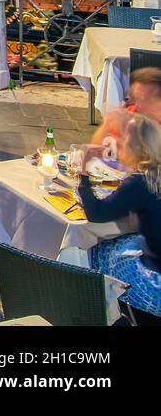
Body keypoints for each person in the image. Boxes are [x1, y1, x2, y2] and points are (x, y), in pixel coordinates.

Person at [79, 113, 161, 318]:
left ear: (136, 146)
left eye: (125, 139)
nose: (120, 143)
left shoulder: (140, 182)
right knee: (128, 238)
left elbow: (96, 214)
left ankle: (93, 309)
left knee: (95, 248)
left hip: (153, 283)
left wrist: (84, 170)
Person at [92, 66, 161, 150]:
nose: (133, 103)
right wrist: (107, 125)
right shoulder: (132, 113)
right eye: (133, 97)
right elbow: (97, 146)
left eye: (140, 99)